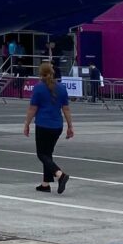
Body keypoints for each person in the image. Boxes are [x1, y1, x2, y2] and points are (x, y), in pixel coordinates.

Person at [23, 61, 73, 193]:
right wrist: (70, 126)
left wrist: (26, 124)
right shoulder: (61, 88)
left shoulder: (39, 88)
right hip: (57, 126)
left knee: (41, 154)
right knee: (47, 154)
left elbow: (32, 109)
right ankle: (45, 184)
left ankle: (60, 175)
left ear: (41, 74)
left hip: (43, 125)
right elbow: (66, 109)